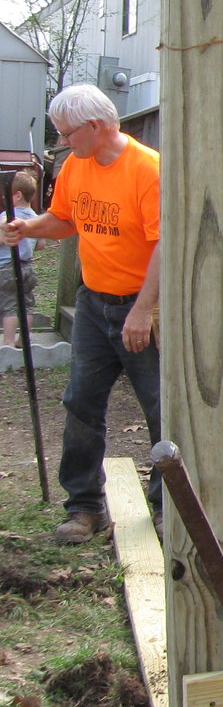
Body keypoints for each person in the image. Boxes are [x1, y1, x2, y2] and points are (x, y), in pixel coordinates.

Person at [0, 85, 161, 545]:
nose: (63, 142)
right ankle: (84, 506)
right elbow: (66, 219)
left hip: (140, 305)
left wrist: (143, 310)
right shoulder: (76, 166)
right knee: (81, 404)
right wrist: (27, 227)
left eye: (68, 133)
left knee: (160, 408)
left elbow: (163, 246)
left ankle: (168, 505)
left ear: (96, 126)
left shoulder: (147, 169)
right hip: (93, 303)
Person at [1, 170, 39, 347]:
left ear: (17, 196)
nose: (3, 198)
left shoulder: (6, 217)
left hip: (7, 268)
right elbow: (41, 245)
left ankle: (8, 342)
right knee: (27, 304)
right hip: (28, 268)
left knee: (9, 305)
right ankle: (24, 340)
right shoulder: (36, 219)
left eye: (5, 195)